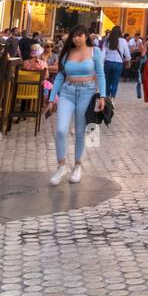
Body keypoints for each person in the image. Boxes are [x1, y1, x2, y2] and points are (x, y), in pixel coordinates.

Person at [48, 26, 107, 186]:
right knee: (60, 130)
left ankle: (78, 166)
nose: (76, 38)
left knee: (81, 131)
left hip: (87, 93)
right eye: (74, 35)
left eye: (79, 35)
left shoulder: (95, 52)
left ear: (86, 36)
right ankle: (61, 166)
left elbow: (101, 74)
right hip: (67, 92)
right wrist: (52, 98)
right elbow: (60, 76)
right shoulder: (67, 53)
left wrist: (102, 96)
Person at [100, 26, 129, 99]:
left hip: (108, 63)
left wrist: (101, 63)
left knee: (107, 80)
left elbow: (103, 53)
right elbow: (127, 55)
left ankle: (106, 96)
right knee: (115, 82)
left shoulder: (107, 40)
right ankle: (112, 97)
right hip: (118, 64)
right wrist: (127, 60)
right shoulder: (123, 41)